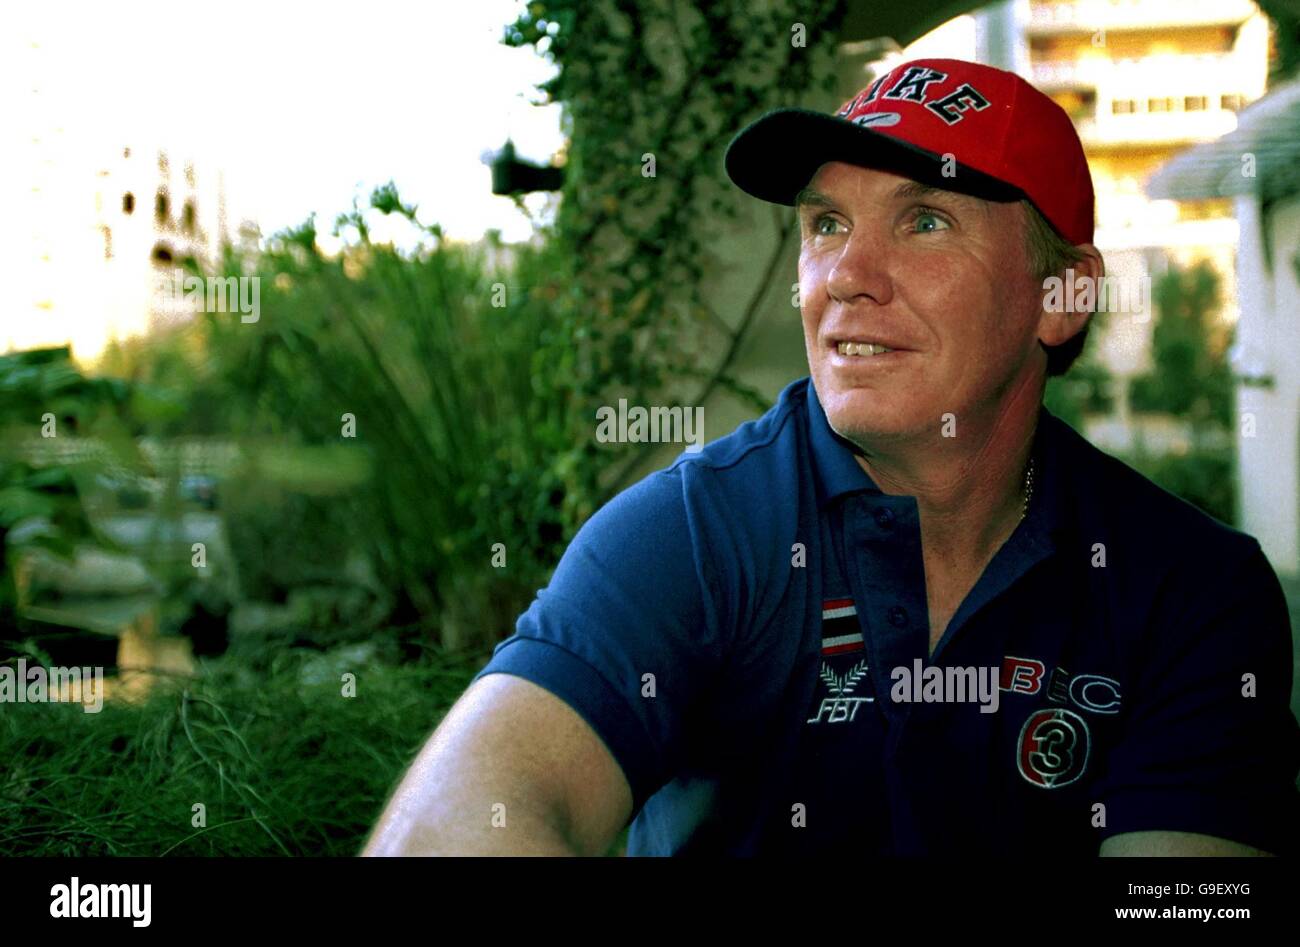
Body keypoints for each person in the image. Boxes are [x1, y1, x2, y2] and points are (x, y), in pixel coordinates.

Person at [363, 58, 1299, 857]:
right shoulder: (686, 537)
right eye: (824, 225)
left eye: (925, 219)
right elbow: (446, 829)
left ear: (1061, 293)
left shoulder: (1191, 590)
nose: (846, 274)